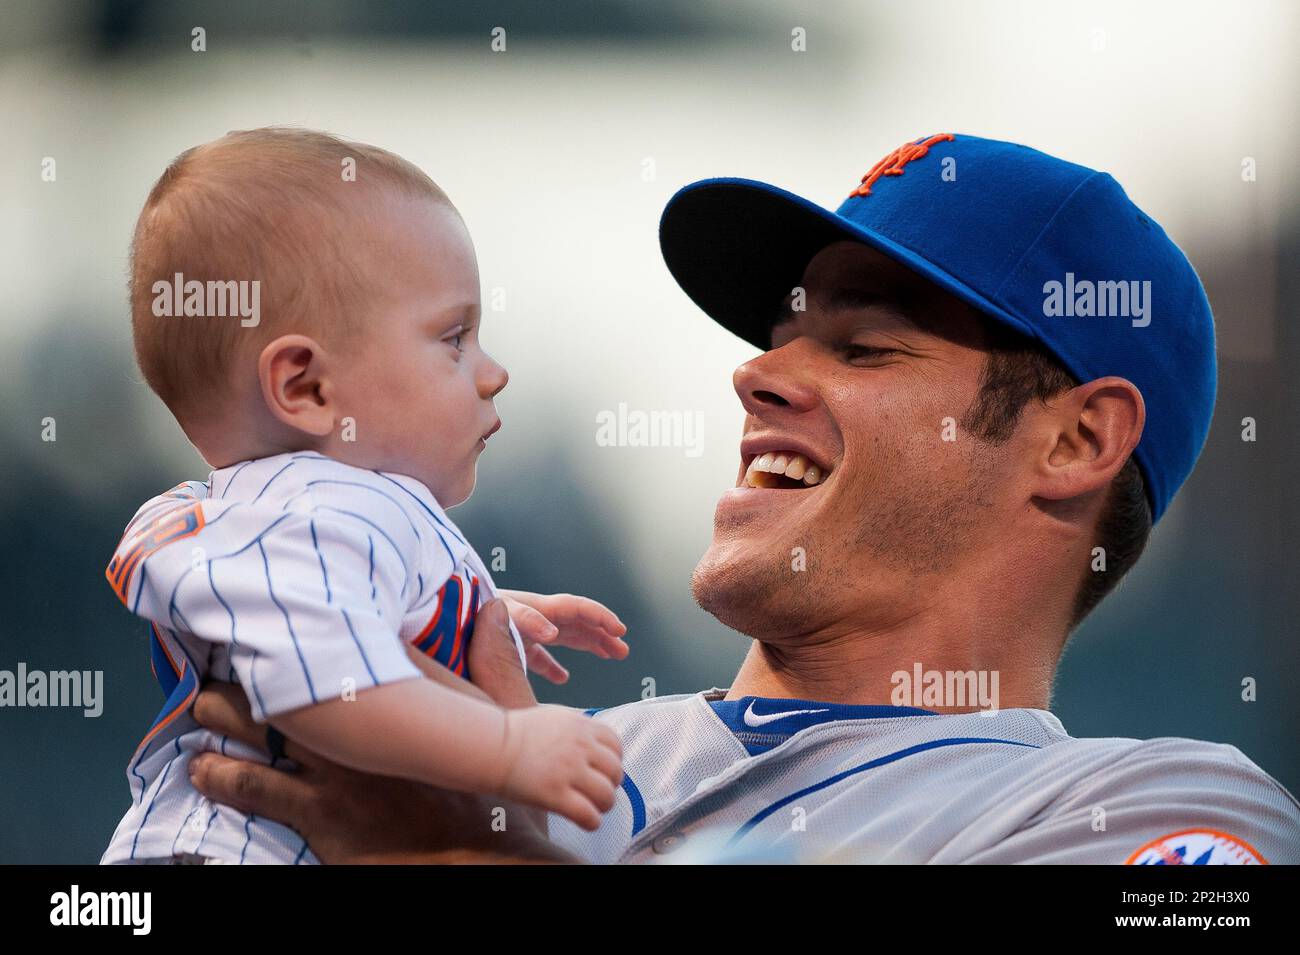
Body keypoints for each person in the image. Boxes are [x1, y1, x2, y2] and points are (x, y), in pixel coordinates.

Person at [185, 133, 1300, 864]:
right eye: (781, 335)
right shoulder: (465, 737)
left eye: (864, 347)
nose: (755, 374)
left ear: (1075, 440)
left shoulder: (1165, 815)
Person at [100, 127, 628, 865]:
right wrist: (508, 745)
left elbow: (345, 613)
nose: (493, 372)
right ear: (306, 388)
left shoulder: (308, 514)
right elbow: (326, 683)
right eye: (454, 337)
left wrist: (489, 609)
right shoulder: (330, 509)